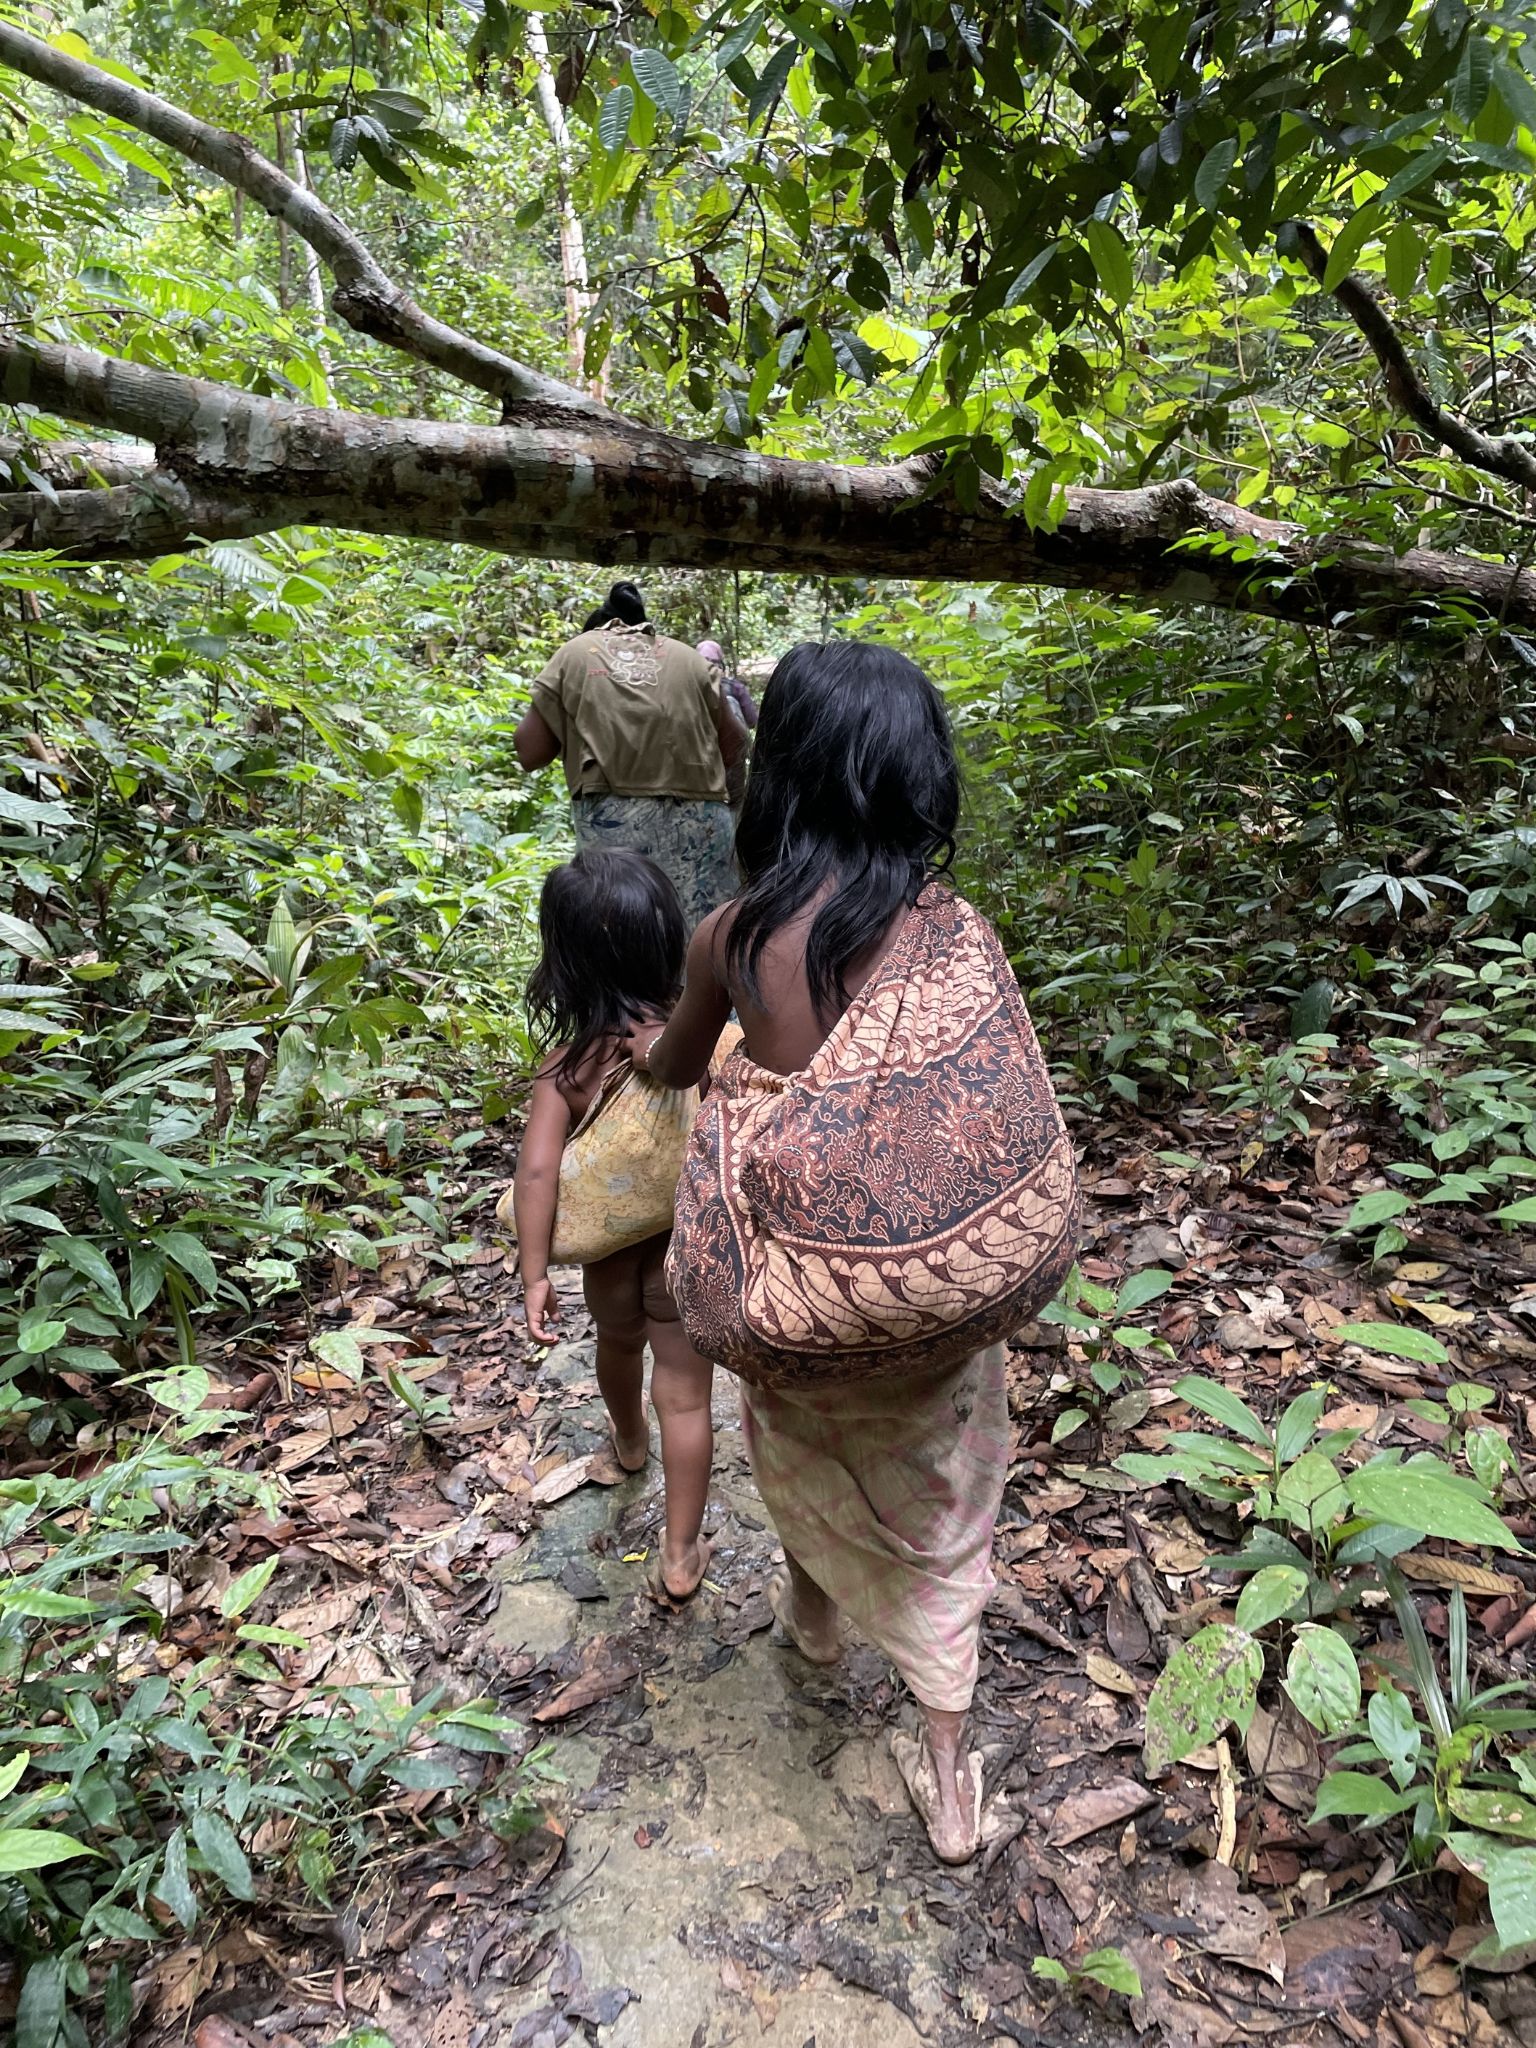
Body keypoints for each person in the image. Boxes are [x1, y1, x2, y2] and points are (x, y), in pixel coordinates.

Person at [621, 641, 1031, 1866]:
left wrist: (649, 1048)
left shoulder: (734, 938)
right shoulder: (956, 936)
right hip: (938, 1317)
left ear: (782, 771)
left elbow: (676, 1068)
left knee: (800, 1456)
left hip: (801, 1310)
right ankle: (949, 1775)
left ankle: (814, 1625)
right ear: (917, 774)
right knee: (943, 1503)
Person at [512, 849, 715, 1601]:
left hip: (609, 1268)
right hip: (682, 1263)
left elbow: (536, 1174)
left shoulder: (565, 1069)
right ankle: (680, 1552)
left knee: (617, 1346)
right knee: (686, 1398)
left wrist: (535, 1274)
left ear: (564, 965)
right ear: (669, 947)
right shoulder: (702, 1049)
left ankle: (629, 1444)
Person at [515, 583, 745, 931]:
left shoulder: (576, 652)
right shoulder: (690, 658)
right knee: (701, 938)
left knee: (626, 938)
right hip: (703, 825)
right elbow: (736, 744)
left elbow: (530, 752)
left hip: (615, 825)